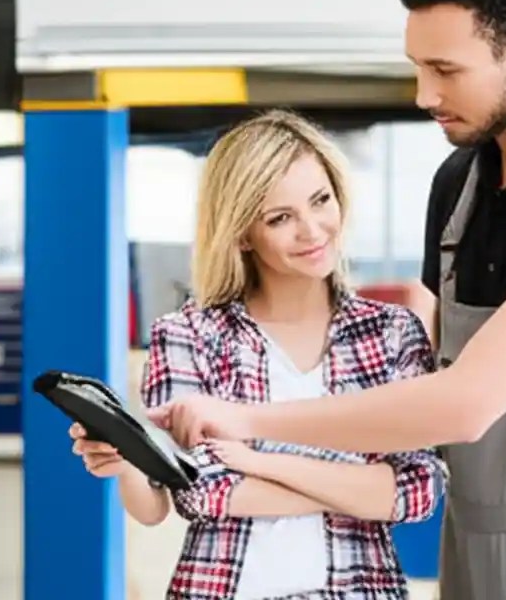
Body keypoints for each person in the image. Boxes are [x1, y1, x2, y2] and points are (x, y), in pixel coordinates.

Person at [148, 0, 506, 600]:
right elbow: (414, 378)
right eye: (417, 66)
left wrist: (246, 421)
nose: (424, 94)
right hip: (470, 529)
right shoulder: (458, 185)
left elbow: (462, 404)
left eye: (446, 71)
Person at [69, 110, 444, 599]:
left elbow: (414, 494)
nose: (312, 230)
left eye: (320, 200)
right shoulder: (189, 334)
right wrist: (126, 466)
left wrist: (256, 463)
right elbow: (187, 495)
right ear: (243, 233)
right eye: (280, 218)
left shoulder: (391, 333)